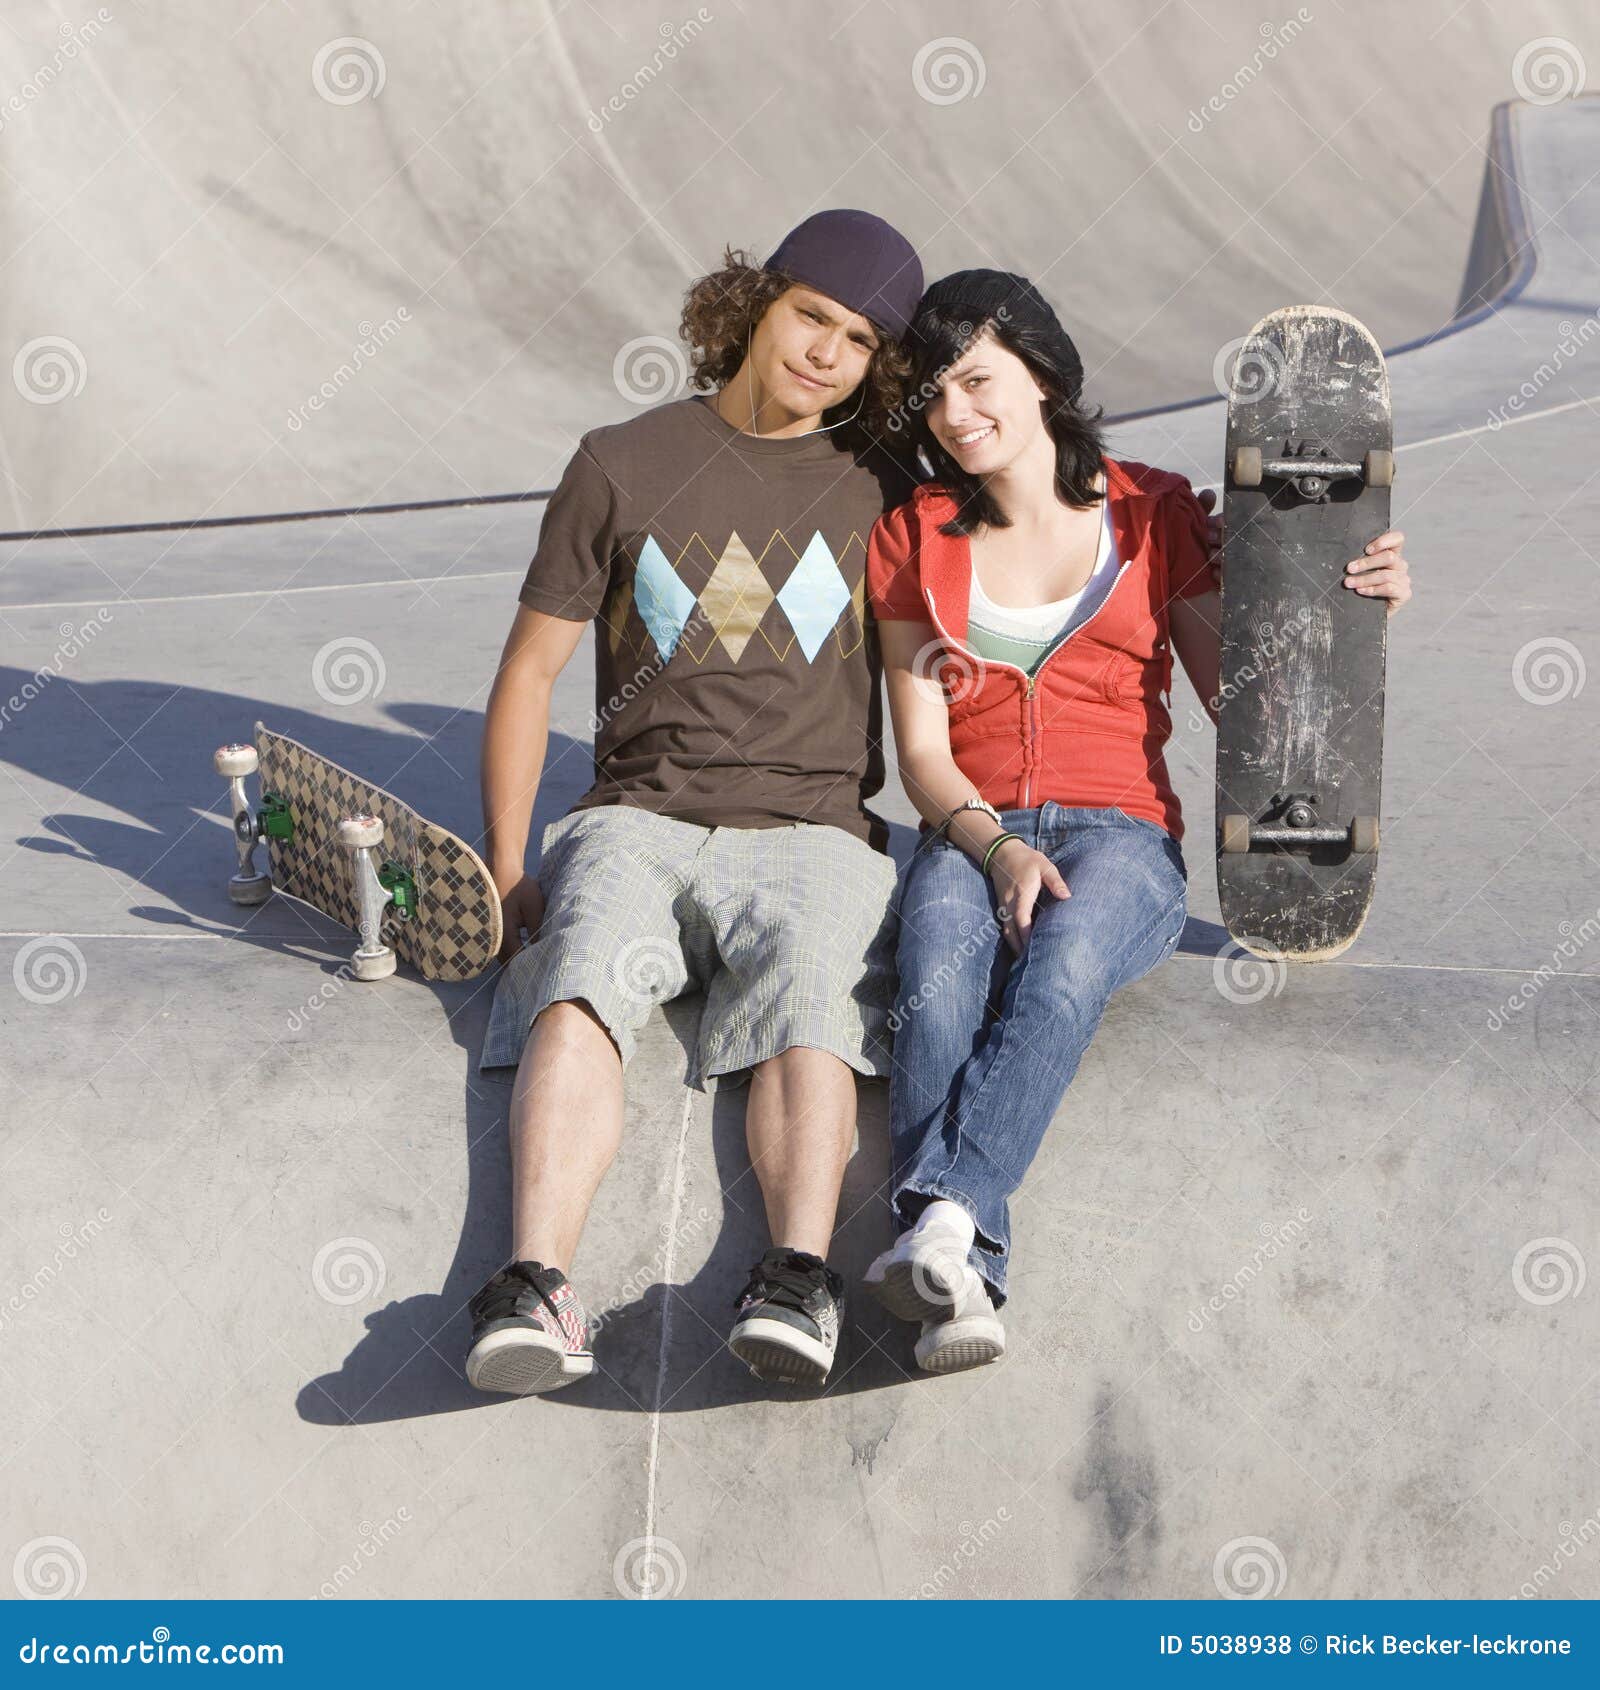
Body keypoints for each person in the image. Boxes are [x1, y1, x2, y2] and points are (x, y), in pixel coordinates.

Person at [862, 270, 1412, 1373]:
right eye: (932, 396)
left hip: (1120, 832)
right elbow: (921, 752)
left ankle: (939, 1218)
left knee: (1062, 964)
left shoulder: (1155, 516)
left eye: (977, 380)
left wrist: (1348, 602)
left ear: (1044, 374)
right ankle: (960, 1263)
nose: (954, 413)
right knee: (933, 974)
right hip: (972, 826)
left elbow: (1251, 701)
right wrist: (997, 845)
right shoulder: (914, 536)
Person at [465, 210, 925, 1394]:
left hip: (815, 825)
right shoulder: (621, 462)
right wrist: (509, 864)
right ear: (755, 303)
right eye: (811, 316)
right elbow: (528, 672)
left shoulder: (885, 486)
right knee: (577, 976)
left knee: (816, 997)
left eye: (860, 342)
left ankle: (797, 1276)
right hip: (639, 813)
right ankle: (535, 1285)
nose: (826, 352)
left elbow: (1060, 521)